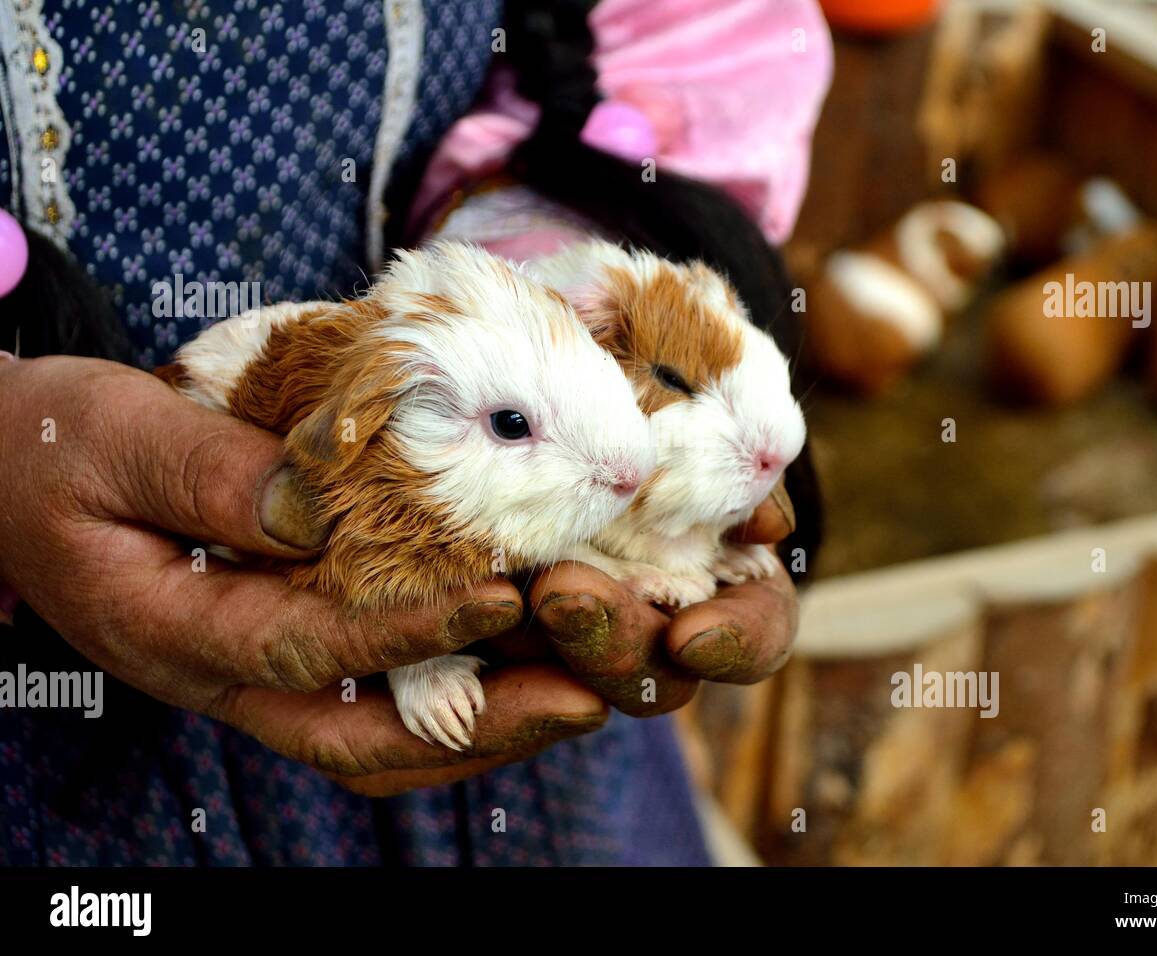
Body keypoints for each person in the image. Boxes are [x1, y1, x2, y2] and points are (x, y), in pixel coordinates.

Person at [0, 0, 829, 864]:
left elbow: (697, 32)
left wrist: (543, 222)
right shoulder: (358, 450)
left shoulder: (565, 395)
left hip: (514, 734)